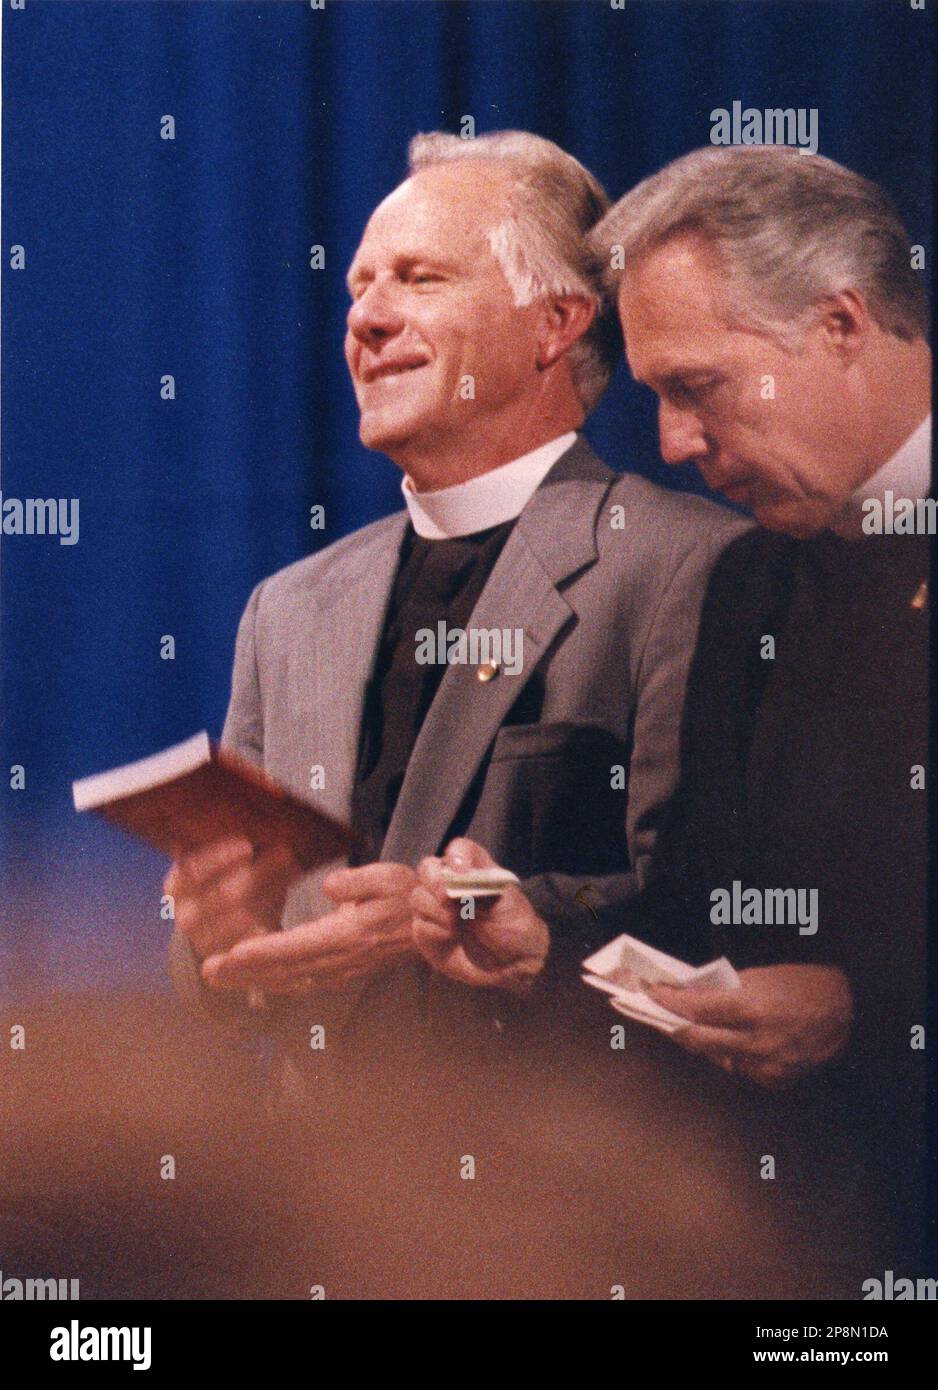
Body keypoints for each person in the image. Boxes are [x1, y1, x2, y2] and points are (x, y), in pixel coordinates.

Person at [166, 131, 745, 1106]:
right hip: (304, 1217)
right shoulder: (287, 609)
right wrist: (216, 938)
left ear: (554, 321)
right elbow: (243, 996)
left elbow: (720, 940)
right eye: (356, 288)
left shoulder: (688, 566)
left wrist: (489, 922)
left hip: (567, 1210)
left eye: (417, 277)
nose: (367, 319)